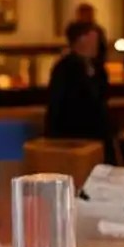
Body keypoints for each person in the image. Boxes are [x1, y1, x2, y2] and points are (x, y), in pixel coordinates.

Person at [45, 21, 114, 163]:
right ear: (81, 40)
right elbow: (58, 104)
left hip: (98, 135)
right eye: (93, 39)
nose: (96, 44)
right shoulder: (64, 68)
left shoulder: (99, 69)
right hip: (72, 135)